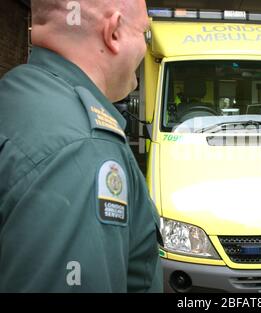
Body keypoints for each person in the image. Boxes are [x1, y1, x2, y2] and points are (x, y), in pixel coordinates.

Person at [0, 0, 162, 292]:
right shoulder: (86, 150)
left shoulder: (15, 93)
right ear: (113, 33)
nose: (145, 49)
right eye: (144, 34)